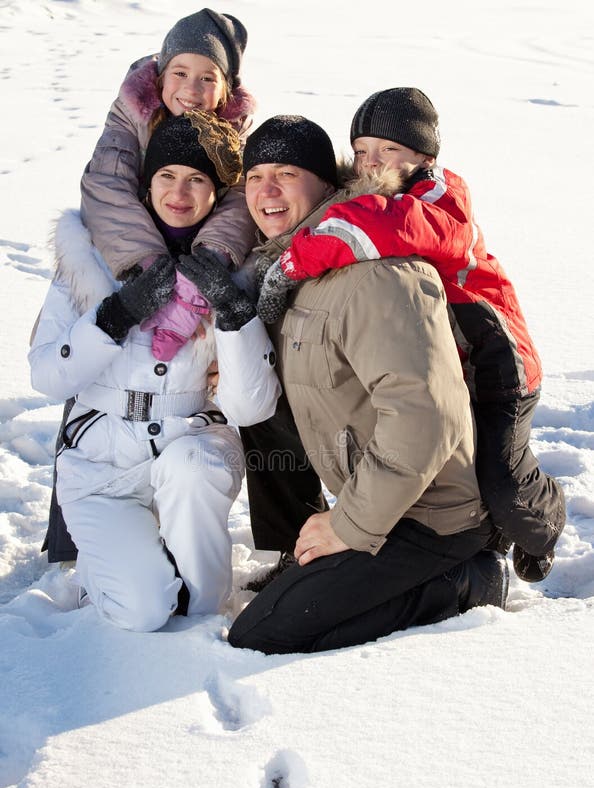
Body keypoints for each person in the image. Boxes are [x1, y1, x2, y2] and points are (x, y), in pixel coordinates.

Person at [184, 114, 509, 655]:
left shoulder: (375, 273)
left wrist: (347, 525)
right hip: (384, 500)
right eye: (255, 175)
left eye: (285, 173)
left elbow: (425, 420)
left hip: (434, 516)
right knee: (277, 616)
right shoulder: (298, 269)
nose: (266, 190)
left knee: (264, 633)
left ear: (328, 186)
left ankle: (471, 581)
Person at [258, 89, 566, 583]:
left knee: (502, 480)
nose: (370, 163)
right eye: (360, 152)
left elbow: (383, 226)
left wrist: (292, 263)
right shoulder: (379, 200)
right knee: (469, 466)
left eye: (387, 151)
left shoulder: (439, 202)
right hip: (452, 361)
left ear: (424, 156)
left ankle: (543, 525)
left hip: (500, 366)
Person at [29, 112, 280, 632]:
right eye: (167, 176)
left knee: (203, 606)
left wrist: (234, 314)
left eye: (197, 179)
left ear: (217, 193)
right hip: (101, 465)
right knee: (143, 610)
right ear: (147, 185)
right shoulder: (90, 256)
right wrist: (114, 317)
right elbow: (47, 374)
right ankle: (107, 569)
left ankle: (188, 577)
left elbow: (249, 408)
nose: (180, 192)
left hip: (190, 447)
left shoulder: (238, 268)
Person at [80, 7, 257, 361]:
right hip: (134, 239)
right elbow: (106, 188)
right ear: (161, 77)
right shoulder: (132, 112)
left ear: (225, 91)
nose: (192, 89)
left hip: (196, 242)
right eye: (180, 72)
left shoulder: (236, 132)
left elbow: (242, 203)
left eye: (208, 78)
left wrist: (203, 267)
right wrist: (150, 268)